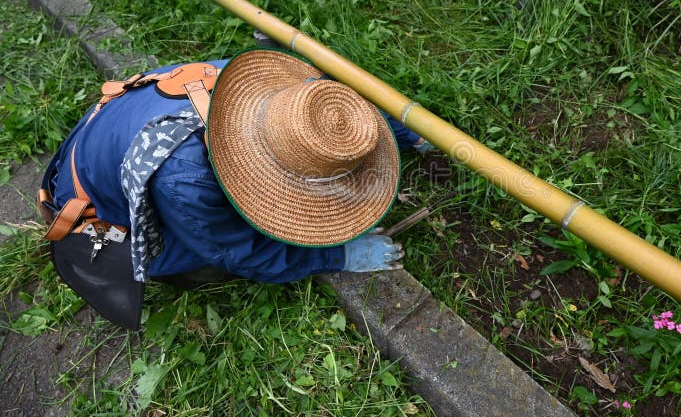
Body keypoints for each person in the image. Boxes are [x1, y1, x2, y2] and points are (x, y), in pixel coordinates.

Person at [37, 48, 432, 328]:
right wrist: (335, 257)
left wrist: (398, 131)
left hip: (116, 129)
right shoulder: (188, 181)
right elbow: (241, 253)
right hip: (96, 209)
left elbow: (329, 100)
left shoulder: (265, 87)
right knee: (208, 262)